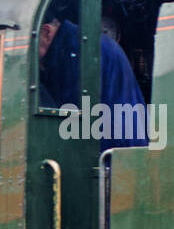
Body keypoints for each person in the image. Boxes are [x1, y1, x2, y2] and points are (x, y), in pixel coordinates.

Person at [38, 14, 148, 147]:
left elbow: (73, 119)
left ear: (46, 32)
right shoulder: (84, 45)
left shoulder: (74, 54)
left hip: (113, 150)